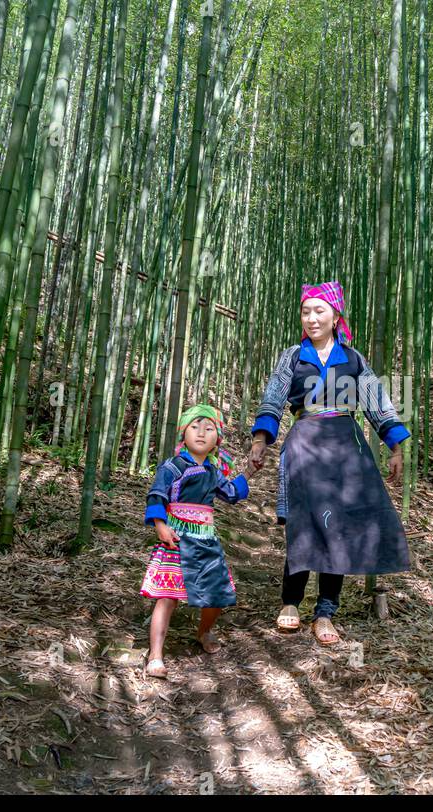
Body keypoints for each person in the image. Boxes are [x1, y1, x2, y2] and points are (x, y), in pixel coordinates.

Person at [248, 281, 411, 645]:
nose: (312, 318)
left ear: (336, 317)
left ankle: (325, 611)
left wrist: (396, 447)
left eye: (319, 311)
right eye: (306, 312)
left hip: (345, 448)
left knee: (337, 528)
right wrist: (260, 440)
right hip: (305, 442)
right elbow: (273, 397)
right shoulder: (293, 356)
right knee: (303, 523)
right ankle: (291, 602)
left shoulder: (353, 359)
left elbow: (376, 402)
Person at [140, 404, 254, 678]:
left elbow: (231, 494)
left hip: (206, 539)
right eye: (195, 427)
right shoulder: (172, 466)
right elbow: (157, 495)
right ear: (184, 432)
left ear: (217, 439)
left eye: (209, 428)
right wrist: (160, 525)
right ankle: (155, 655)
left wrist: (249, 472)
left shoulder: (213, 471)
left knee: (217, 593)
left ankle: (204, 632)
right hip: (177, 538)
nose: (201, 433)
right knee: (167, 596)